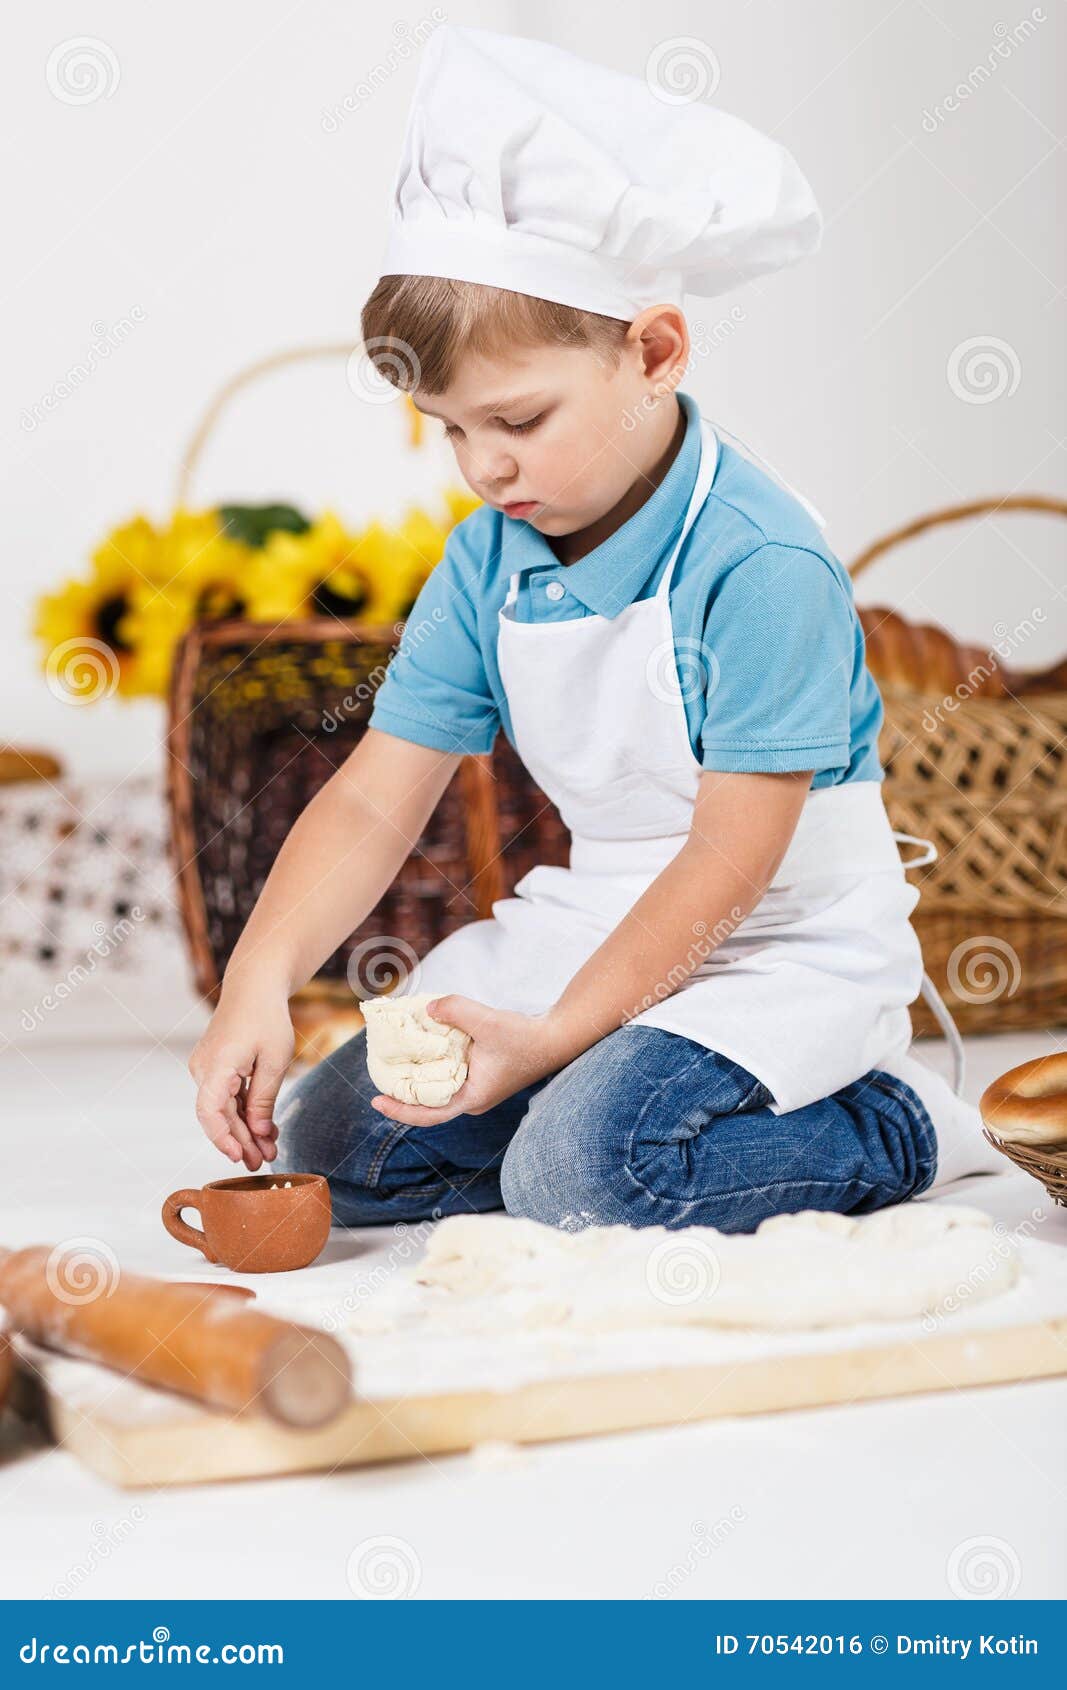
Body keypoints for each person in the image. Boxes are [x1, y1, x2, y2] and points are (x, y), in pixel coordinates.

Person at [188, 26, 998, 1232]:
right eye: (448, 428)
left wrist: (554, 1039)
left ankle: (889, 1121)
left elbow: (731, 861)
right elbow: (372, 799)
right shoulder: (487, 558)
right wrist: (254, 981)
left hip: (773, 937)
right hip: (601, 914)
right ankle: (595, 1115)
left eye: (515, 417)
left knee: (585, 1177)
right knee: (338, 1140)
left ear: (652, 350)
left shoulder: (758, 562)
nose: (481, 466)